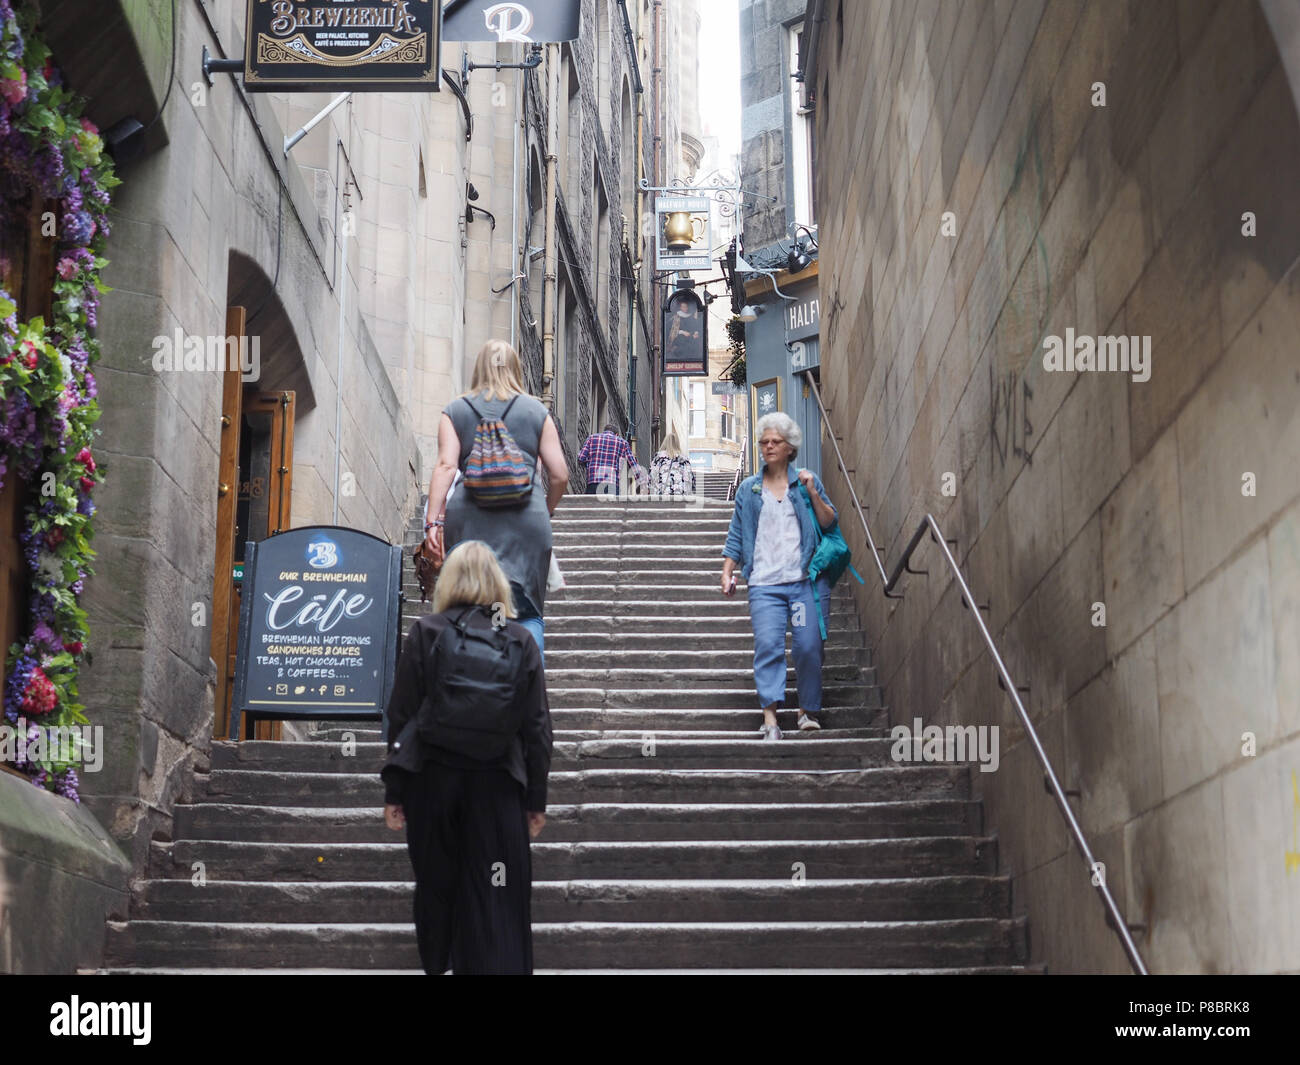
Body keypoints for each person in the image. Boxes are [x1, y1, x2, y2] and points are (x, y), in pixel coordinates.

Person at [381, 540, 553, 975]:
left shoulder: (427, 632)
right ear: (498, 583)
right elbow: (537, 728)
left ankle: (440, 964)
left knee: (437, 889)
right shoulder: (519, 640)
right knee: (498, 894)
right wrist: (536, 800)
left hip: (433, 784)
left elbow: (400, 716)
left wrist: (396, 790)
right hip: (498, 786)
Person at [424, 339, 567, 658]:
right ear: (515, 368)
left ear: (478, 368)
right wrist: (546, 509)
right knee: (526, 611)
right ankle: (526, 689)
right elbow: (559, 475)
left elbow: (446, 465)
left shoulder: (455, 410)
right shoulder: (536, 411)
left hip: (470, 519)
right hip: (526, 522)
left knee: (465, 603)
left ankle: (465, 677)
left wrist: (433, 522)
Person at [721, 411, 838, 740]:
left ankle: (807, 711)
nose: (768, 447)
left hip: (804, 583)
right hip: (765, 586)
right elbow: (736, 535)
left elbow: (829, 521)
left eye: (776, 442)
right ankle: (770, 718)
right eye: (764, 442)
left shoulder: (805, 481)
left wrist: (814, 493)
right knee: (769, 645)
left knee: (808, 646)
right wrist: (727, 571)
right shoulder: (749, 489)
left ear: (790, 447)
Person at [578, 422, 641, 496]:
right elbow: (633, 466)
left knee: (593, 505)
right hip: (612, 483)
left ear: (604, 431)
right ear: (617, 434)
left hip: (593, 482)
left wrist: (590, 464)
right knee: (611, 506)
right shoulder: (623, 443)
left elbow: (581, 458)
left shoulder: (591, 438)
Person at [650, 427, 695, 497]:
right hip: (681, 498)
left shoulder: (658, 458)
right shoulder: (684, 460)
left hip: (662, 498)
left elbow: (651, 478)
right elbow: (691, 480)